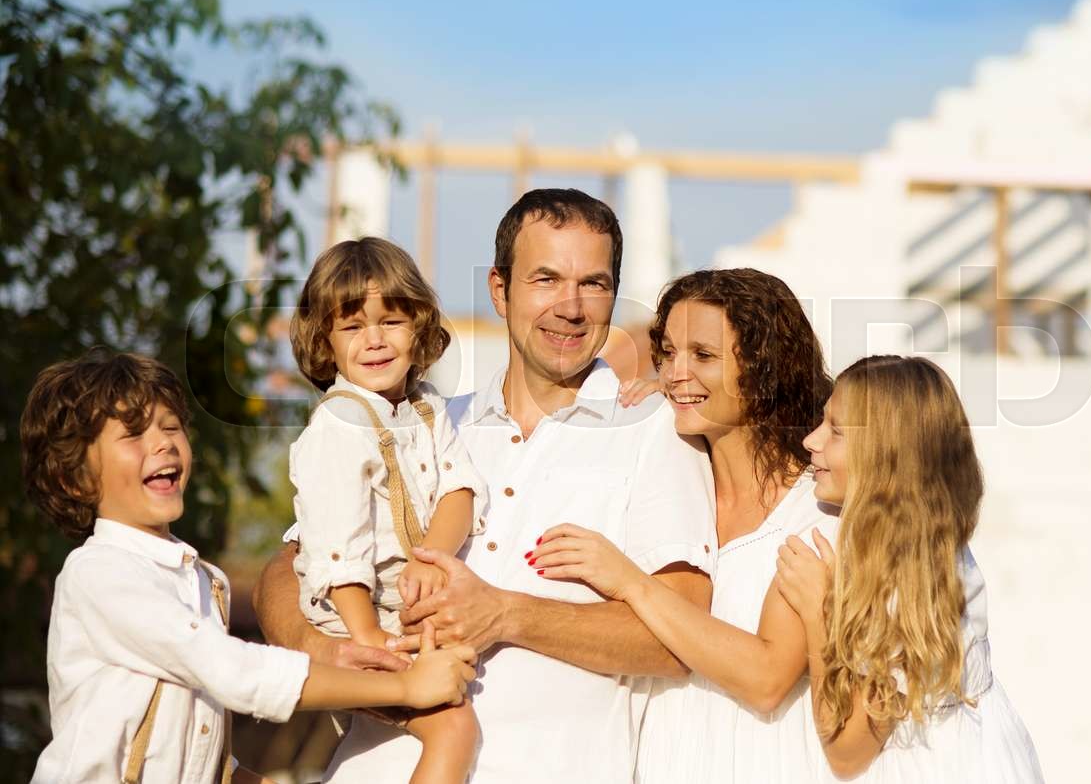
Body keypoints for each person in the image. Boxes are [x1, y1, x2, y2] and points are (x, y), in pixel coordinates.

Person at [253, 189, 717, 783]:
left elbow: (683, 641)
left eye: (594, 284)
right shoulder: (429, 422)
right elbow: (286, 567)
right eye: (545, 279)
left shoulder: (655, 430)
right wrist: (315, 649)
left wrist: (505, 615)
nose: (571, 307)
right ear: (500, 290)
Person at [22, 349, 476, 784]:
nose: (164, 443)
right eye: (134, 434)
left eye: (172, 426)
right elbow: (233, 672)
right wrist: (407, 688)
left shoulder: (202, 580)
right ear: (73, 478)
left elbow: (196, 748)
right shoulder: (99, 573)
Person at [530, 268, 839, 783]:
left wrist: (630, 581)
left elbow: (768, 682)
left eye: (704, 355)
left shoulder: (817, 511)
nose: (675, 372)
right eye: (668, 353)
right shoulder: (668, 478)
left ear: (766, 367)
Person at [774, 355, 1045, 782]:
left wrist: (817, 611)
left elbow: (847, 753)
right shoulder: (926, 536)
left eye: (836, 431)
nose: (811, 440)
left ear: (886, 454)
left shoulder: (905, 575)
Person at [286, 236, 488, 783]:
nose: (374, 341)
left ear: (418, 328)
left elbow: (459, 491)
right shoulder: (337, 427)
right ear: (326, 341)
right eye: (352, 327)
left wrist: (430, 557)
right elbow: (337, 551)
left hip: (401, 606)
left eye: (391, 322)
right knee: (454, 727)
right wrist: (367, 636)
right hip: (352, 613)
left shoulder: (426, 410)